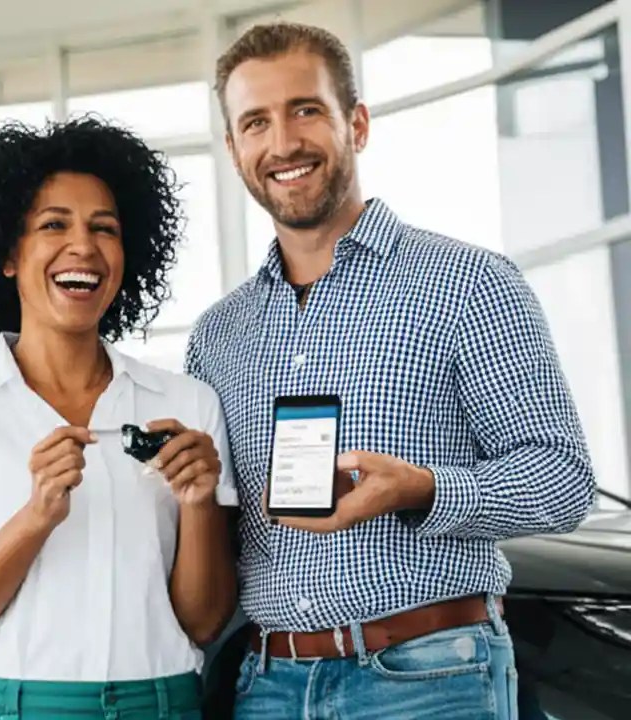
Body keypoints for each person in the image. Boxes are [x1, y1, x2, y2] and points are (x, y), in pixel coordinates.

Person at [185, 21, 596, 720]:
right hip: (269, 687)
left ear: (358, 124)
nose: (282, 143)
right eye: (256, 122)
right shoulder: (216, 337)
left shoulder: (468, 282)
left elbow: (561, 478)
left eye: (305, 110)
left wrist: (421, 490)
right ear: (234, 149)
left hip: (430, 680)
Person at [0, 116, 239, 719]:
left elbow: (204, 622)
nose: (84, 245)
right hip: (8, 706)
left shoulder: (187, 405)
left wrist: (199, 501)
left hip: (162, 704)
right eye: (54, 224)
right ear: (7, 254)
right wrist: (36, 518)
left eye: (104, 228)